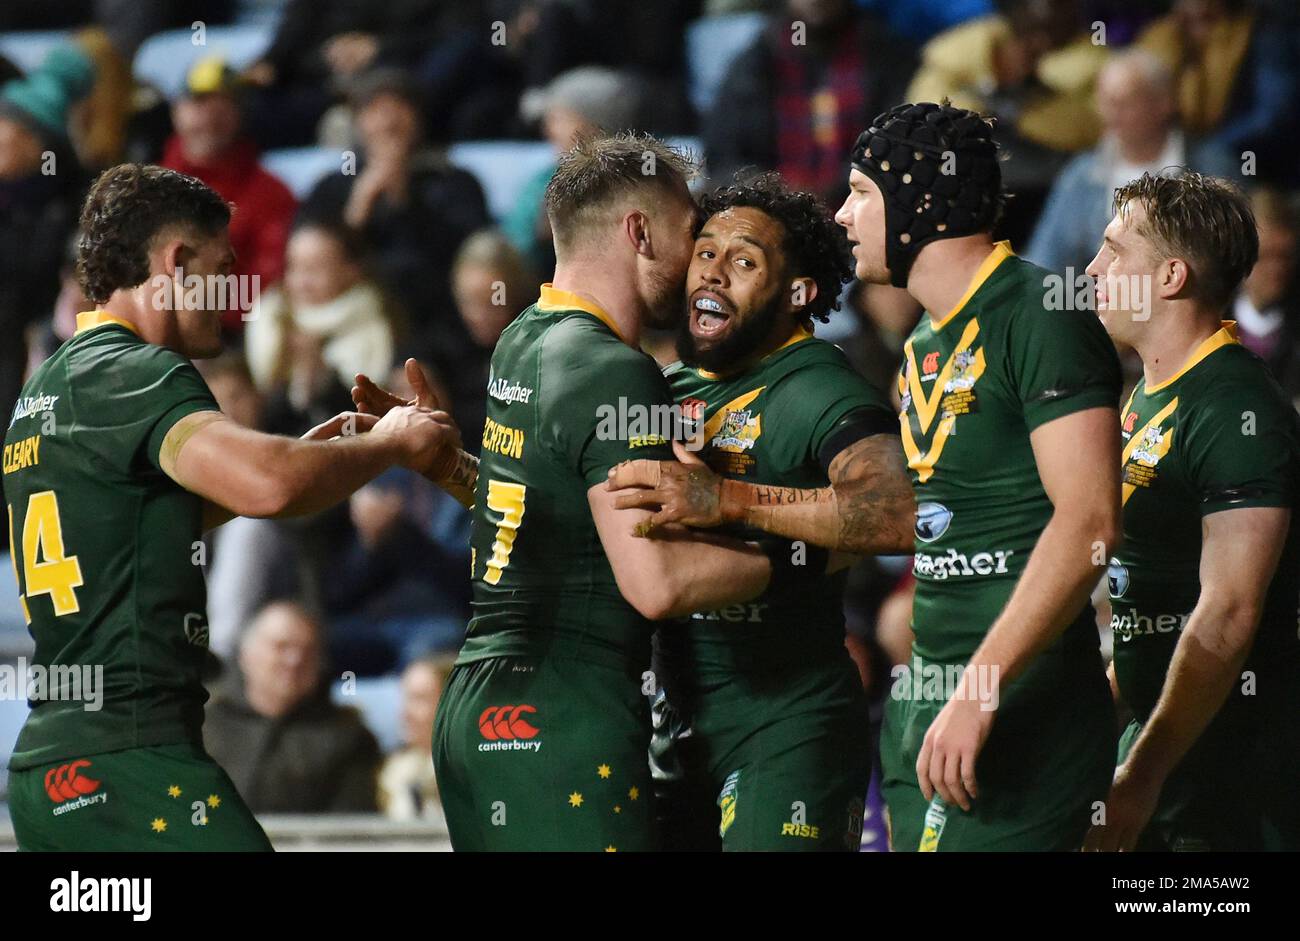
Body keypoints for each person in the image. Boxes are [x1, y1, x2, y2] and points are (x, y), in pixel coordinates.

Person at [2, 164, 459, 851]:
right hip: (133, 757)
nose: (235, 299)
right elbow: (267, 485)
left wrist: (319, 455)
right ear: (177, 263)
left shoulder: (49, 388)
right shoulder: (139, 372)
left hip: (53, 769)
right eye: (223, 270)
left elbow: (164, 518)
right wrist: (391, 447)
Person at [356, 133, 788, 852]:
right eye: (691, 238)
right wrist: (804, 547)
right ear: (639, 232)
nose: (698, 270)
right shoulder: (617, 372)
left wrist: (446, 466)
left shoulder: (522, 339)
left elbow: (537, 508)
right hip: (561, 715)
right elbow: (654, 583)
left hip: (478, 710)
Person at [836, 102, 1123, 850]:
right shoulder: (924, 336)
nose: (841, 215)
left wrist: (981, 687)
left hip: (1019, 704)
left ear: (917, 202)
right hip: (929, 696)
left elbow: (1090, 520)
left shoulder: (1039, 313)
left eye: (860, 191)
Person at [607, 172, 915, 851]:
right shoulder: (663, 387)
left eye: (744, 261)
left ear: (798, 293)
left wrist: (727, 498)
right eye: (705, 253)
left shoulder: (818, 388)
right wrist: (438, 458)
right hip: (676, 717)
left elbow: (897, 512)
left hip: (787, 722)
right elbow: (566, 513)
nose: (711, 273)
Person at [1081, 171, 1300, 851]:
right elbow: (1158, 595)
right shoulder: (1150, 391)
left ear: (1170, 276)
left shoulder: (1236, 410)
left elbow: (1230, 612)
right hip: (1166, 752)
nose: (1092, 269)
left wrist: (1142, 773)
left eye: (1115, 251)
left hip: (1233, 775)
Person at [1026, 49, 1237, 277]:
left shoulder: (1212, 166)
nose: (1111, 115)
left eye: (1124, 103)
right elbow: (1045, 262)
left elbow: (1236, 255)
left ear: (1164, 102)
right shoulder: (1082, 176)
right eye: (1106, 102)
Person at [159, 57, 298, 332]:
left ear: (240, 115)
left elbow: (267, 284)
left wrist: (201, 316)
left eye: (223, 105)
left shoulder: (271, 194)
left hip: (229, 339)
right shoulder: (147, 188)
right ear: (177, 111)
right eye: (199, 103)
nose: (209, 117)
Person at [204, 601, 382, 814]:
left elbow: (349, 832)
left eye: (308, 651)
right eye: (281, 647)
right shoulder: (200, 727)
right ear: (246, 655)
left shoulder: (349, 739)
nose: (295, 660)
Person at [378, 656, 447, 821]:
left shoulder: (473, 772)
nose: (405, 713)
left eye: (420, 699)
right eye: (406, 699)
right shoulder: (394, 773)